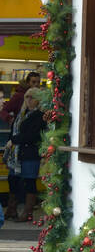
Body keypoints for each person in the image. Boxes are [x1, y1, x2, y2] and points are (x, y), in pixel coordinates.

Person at [9, 87, 45, 223]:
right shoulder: (22, 114)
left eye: (32, 97)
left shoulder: (40, 115)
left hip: (31, 153)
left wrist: (14, 140)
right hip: (17, 155)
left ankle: (27, 213)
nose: (29, 100)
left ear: (38, 100)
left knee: (29, 182)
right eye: (27, 97)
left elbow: (32, 136)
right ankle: (12, 209)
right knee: (13, 179)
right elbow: (14, 130)